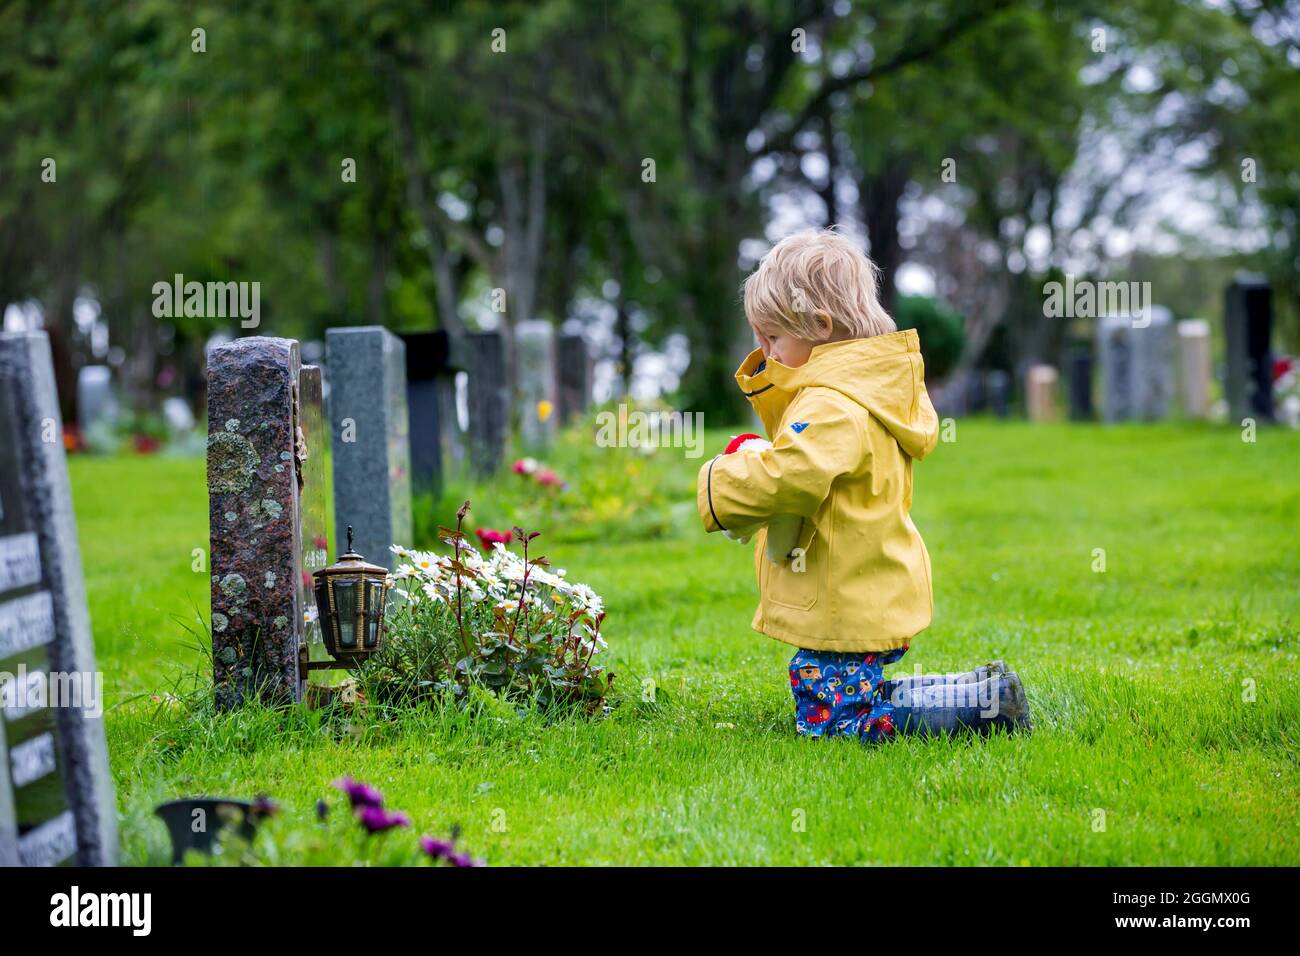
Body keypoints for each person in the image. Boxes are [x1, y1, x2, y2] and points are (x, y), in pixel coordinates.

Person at [695, 227, 1032, 742]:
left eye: (774, 339)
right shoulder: (856, 391)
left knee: (835, 718)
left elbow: (793, 476)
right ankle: (979, 692)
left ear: (820, 325)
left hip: (845, 588)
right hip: (861, 581)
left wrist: (720, 482)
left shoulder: (833, 403)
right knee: (846, 690)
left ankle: (984, 713)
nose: (765, 354)